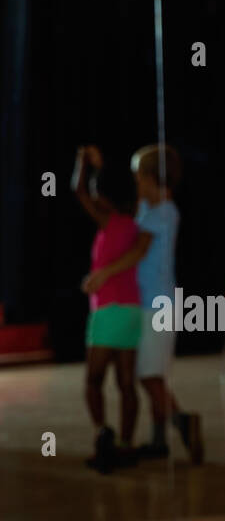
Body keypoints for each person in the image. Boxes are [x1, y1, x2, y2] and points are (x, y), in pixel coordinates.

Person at [73, 145, 150, 473]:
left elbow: (77, 190)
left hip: (108, 310)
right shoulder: (134, 221)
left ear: (105, 196)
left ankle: (105, 434)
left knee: (93, 380)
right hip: (129, 308)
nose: (92, 196)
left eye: (97, 193)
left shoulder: (110, 220)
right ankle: (124, 444)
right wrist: (101, 166)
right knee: (125, 383)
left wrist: (82, 162)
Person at [130, 144, 203, 463]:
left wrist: (106, 272)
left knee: (149, 375)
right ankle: (159, 438)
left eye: (139, 178)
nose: (136, 184)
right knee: (150, 372)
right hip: (148, 301)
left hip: (158, 305)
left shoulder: (164, 213)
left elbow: (138, 250)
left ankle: (181, 422)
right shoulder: (149, 208)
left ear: (151, 178)